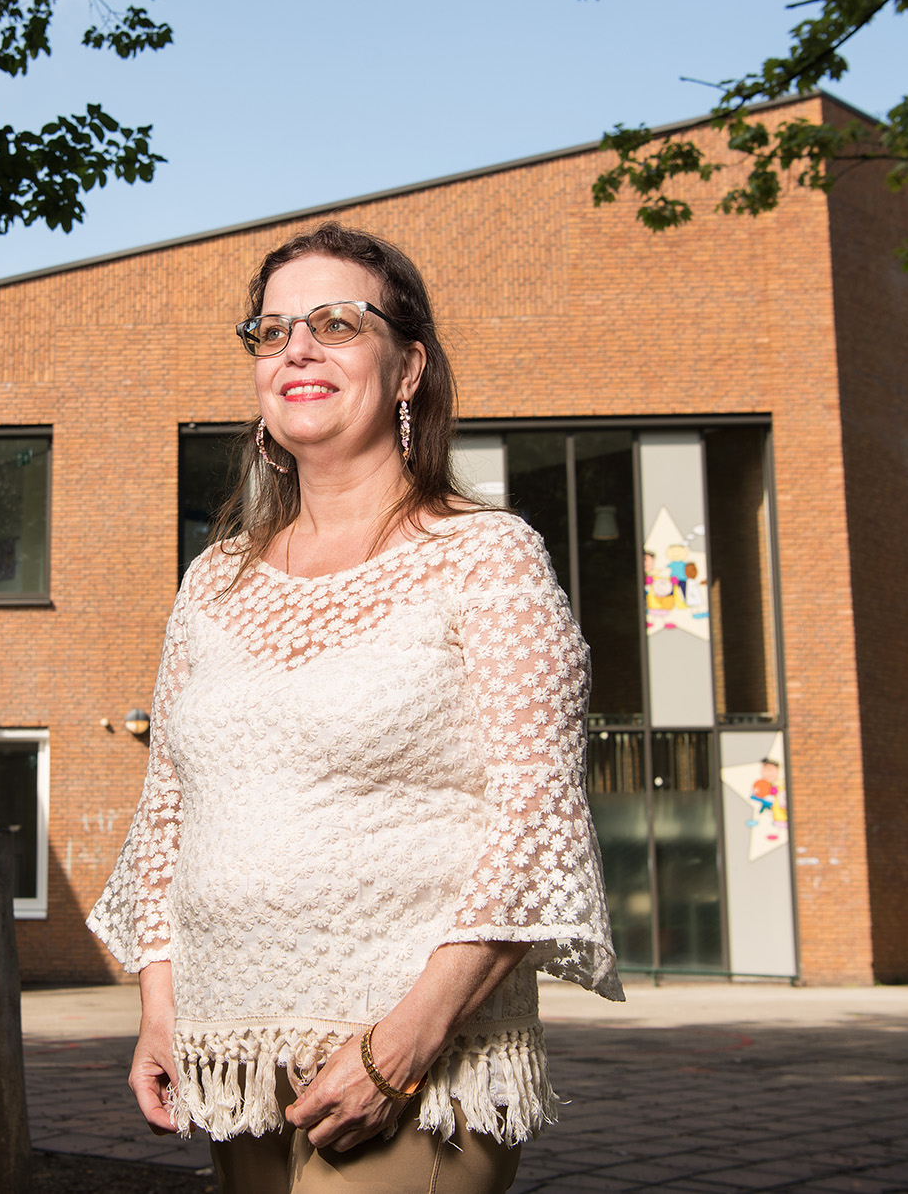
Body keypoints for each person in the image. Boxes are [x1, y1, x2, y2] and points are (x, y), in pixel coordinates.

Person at [87, 221, 623, 1194]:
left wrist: (404, 1046)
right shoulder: (212, 581)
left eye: (336, 323)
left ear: (408, 365)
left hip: (412, 1059)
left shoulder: (487, 557)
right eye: (271, 329)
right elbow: (168, 809)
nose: (297, 347)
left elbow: (535, 817)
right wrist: (160, 1009)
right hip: (233, 1045)